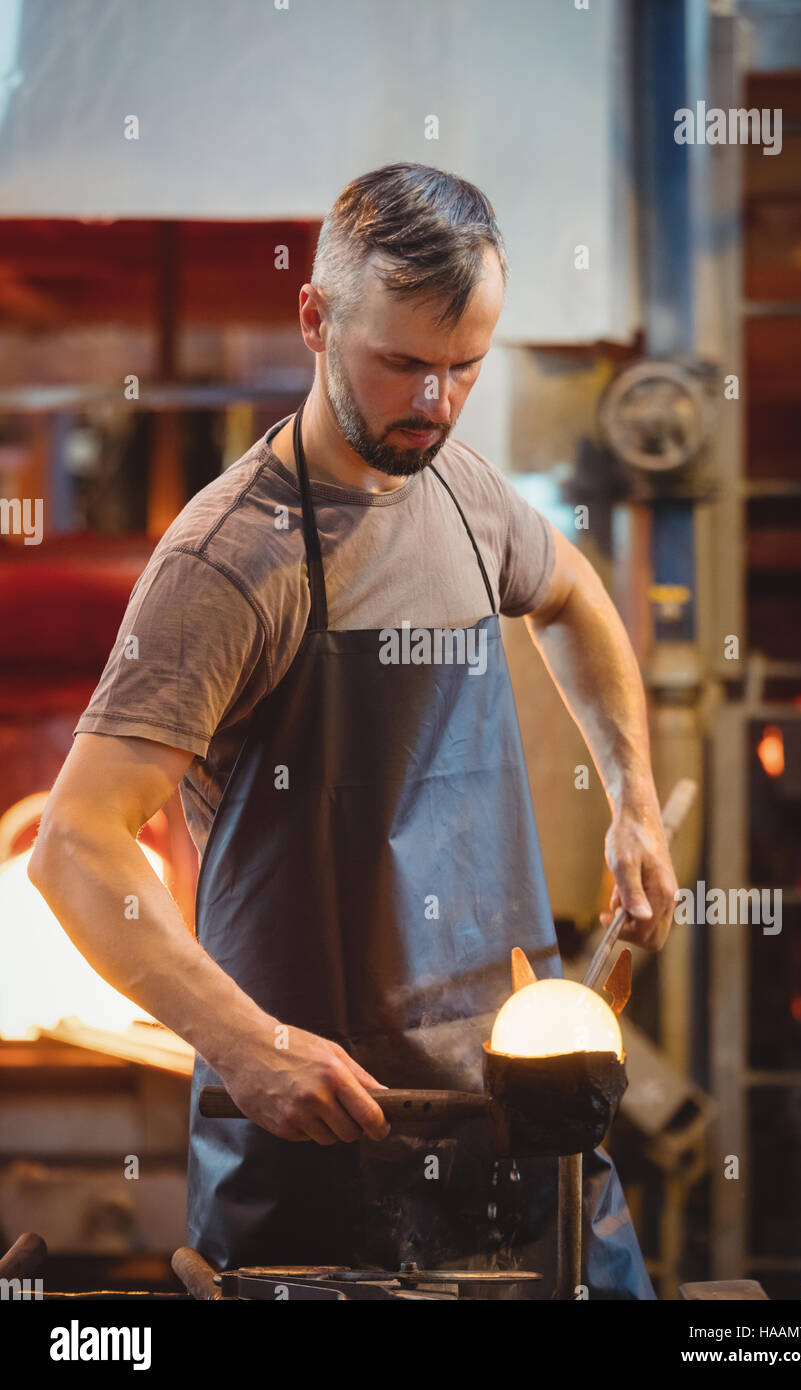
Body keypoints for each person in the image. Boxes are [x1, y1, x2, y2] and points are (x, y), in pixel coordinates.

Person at [29, 163, 676, 1298]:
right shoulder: (230, 562)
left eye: (462, 368)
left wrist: (630, 797)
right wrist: (246, 1044)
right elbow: (73, 846)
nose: (432, 402)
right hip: (322, 1149)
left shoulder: (467, 495)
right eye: (403, 366)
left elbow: (571, 596)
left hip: (512, 1118)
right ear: (315, 319)